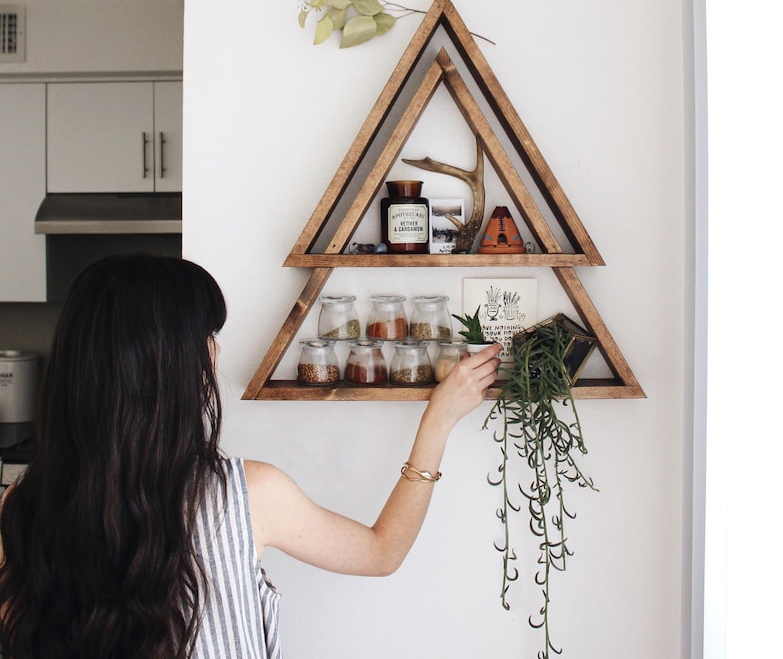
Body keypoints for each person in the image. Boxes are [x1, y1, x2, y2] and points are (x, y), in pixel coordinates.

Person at [0, 254, 500, 659]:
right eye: (206, 339)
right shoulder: (245, 495)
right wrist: (439, 421)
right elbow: (382, 552)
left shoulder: (18, 508)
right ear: (167, 366)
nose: (215, 355)